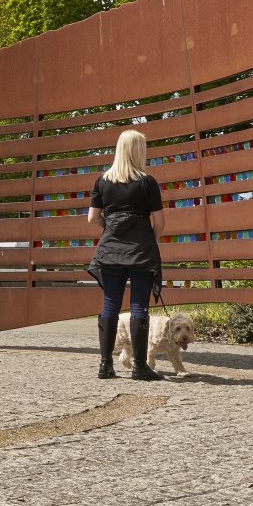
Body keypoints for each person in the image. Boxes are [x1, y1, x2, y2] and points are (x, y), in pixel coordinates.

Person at [86, 129, 165, 381]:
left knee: (110, 305)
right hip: (141, 251)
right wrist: (151, 240)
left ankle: (105, 365)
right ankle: (140, 367)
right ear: (138, 151)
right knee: (138, 305)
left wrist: (111, 230)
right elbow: (160, 221)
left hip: (110, 251)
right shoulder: (147, 182)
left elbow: (92, 218)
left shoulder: (102, 181)